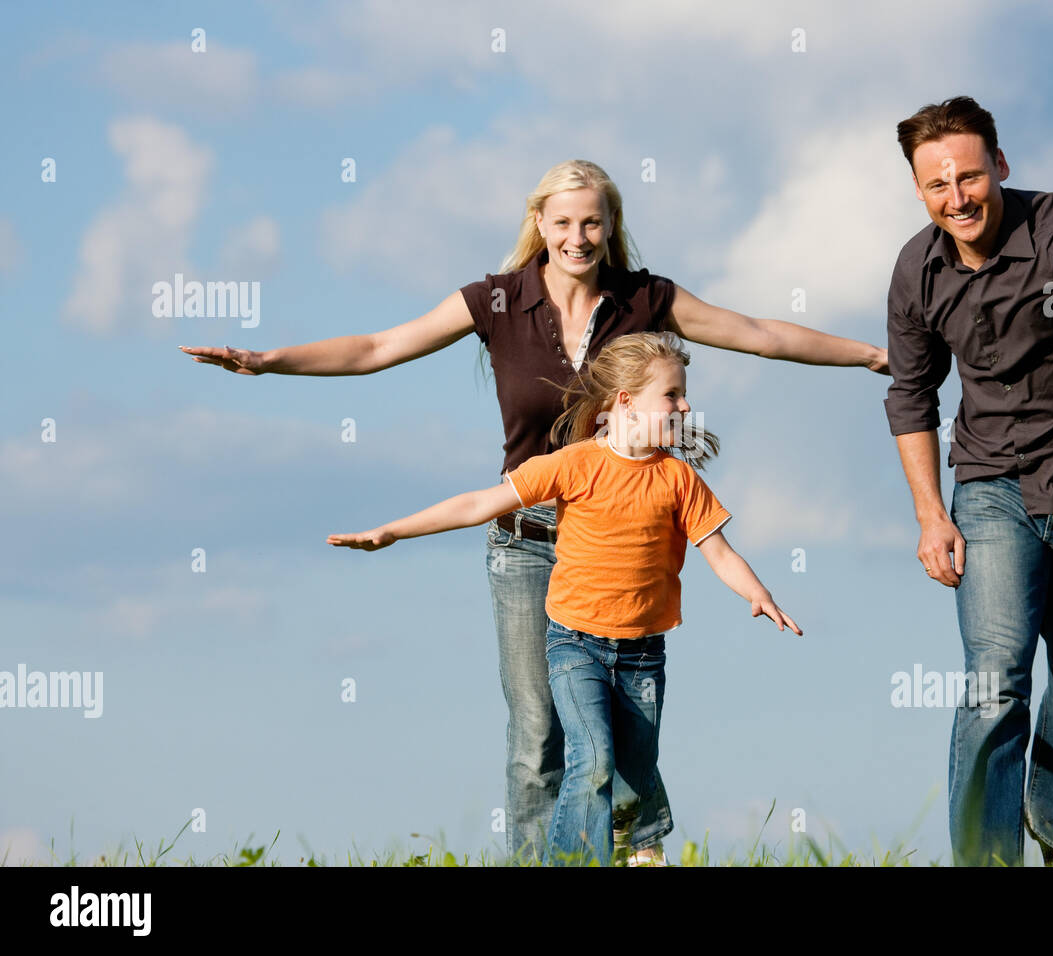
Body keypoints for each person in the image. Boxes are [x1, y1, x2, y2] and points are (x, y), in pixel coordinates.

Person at [180, 159, 887, 864]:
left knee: (622, 739)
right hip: (526, 543)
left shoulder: (646, 299)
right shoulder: (496, 301)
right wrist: (267, 360)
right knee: (537, 739)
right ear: (540, 226)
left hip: (616, 546)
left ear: (611, 227)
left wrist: (865, 354)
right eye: (564, 223)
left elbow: (758, 333)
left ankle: (626, 850)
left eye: (593, 222)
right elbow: (377, 347)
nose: (578, 237)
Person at [327, 331, 800, 866]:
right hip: (575, 645)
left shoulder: (677, 479)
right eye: (672, 394)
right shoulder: (575, 464)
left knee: (632, 778)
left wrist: (758, 593)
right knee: (593, 760)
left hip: (643, 653)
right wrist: (392, 531)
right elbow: (481, 503)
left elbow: (719, 552)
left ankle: (633, 837)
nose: (685, 405)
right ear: (626, 401)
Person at [882, 97, 1053, 866]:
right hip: (994, 486)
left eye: (970, 176)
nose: (957, 197)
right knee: (994, 681)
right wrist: (932, 516)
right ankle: (984, 859)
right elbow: (910, 395)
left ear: (999, 166)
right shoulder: (917, 270)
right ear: (918, 189)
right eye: (937, 185)